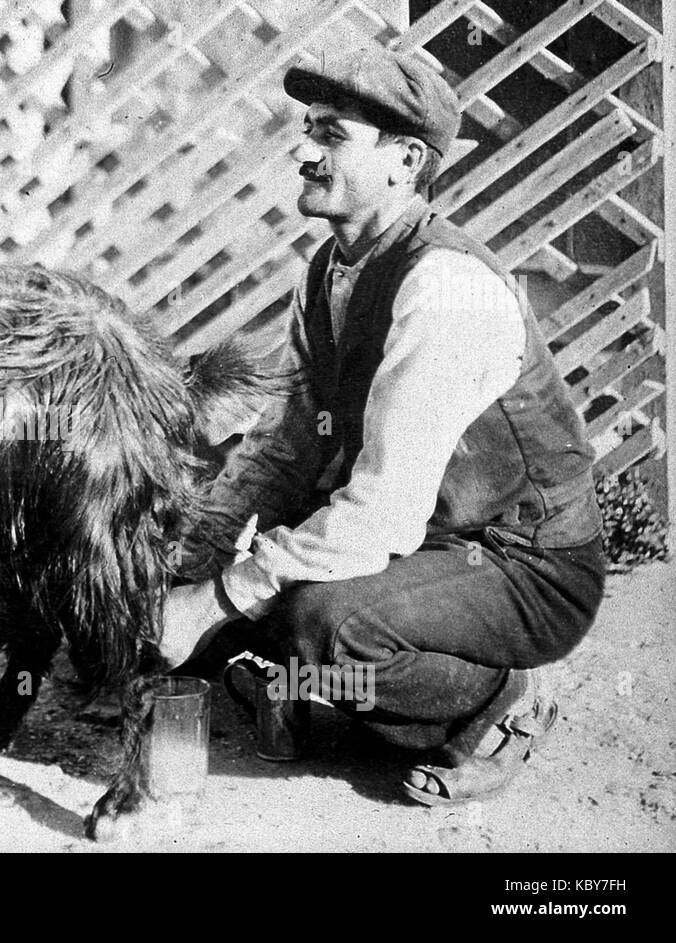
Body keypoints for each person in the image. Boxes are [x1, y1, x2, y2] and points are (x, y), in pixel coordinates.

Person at [160, 44, 606, 804]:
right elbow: (285, 450)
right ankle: (320, 689)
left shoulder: (445, 288)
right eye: (307, 129)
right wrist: (188, 566)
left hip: (519, 559)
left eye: (330, 135)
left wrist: (213, 600)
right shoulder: (329, 271)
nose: (301, 151)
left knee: (321, 623)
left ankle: (496, 704)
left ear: (404, 160)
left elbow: (380, 513)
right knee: (235, 601)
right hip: (428, 535)